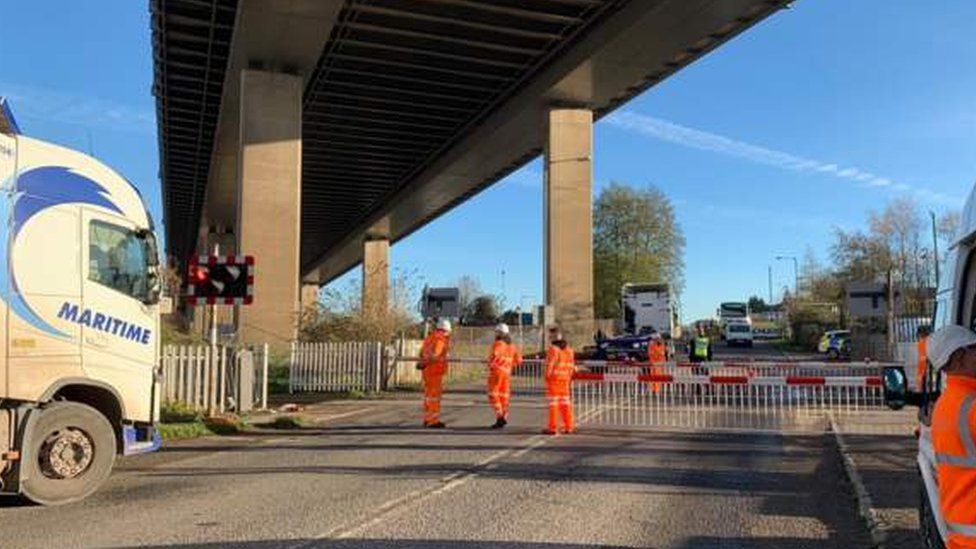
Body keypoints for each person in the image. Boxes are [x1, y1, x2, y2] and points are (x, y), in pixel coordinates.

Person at [926, 325, 976, 549]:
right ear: (958, 356)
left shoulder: (944, 405)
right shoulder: (972, 407)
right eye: (974, 348)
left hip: (960, 537)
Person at [487, 323, 522, 429]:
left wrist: (490, 365)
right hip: (507, 374)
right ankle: (504, 417)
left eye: (497, 332)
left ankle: (500, 416)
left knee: (493, 394)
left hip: (497, 373)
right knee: (504, 396)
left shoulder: (498, 344)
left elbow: (494, 356)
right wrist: (509, 365)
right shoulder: (512, 346)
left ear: (500, 333)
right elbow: (519, 360)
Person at [419, 319, 452, 428]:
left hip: (427, 371)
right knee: (434, 397)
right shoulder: (441, 340)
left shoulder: (429, 338)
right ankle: (433, 421)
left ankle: (427, 419)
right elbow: (435, 355)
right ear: (446, 330)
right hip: (435, 372)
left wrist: (422, 363)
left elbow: (422, 352)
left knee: (428, 397)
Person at [544, 330, 576, 435]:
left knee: (553, 405)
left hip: (554, 380)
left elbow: (550, 365)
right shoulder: (569, 350)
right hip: (565, 380)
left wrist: (547, 378)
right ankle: (569, 426)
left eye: (550, 336)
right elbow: (571, 366)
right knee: (565, 404)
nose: (549, 338)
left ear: (553, 338)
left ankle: (552, 428)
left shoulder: (553, 349)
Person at [916, 325, 931, 391]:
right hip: (924, 371)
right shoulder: (926, 342)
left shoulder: (922, 343)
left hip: (924, 371)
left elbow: (923, 359)